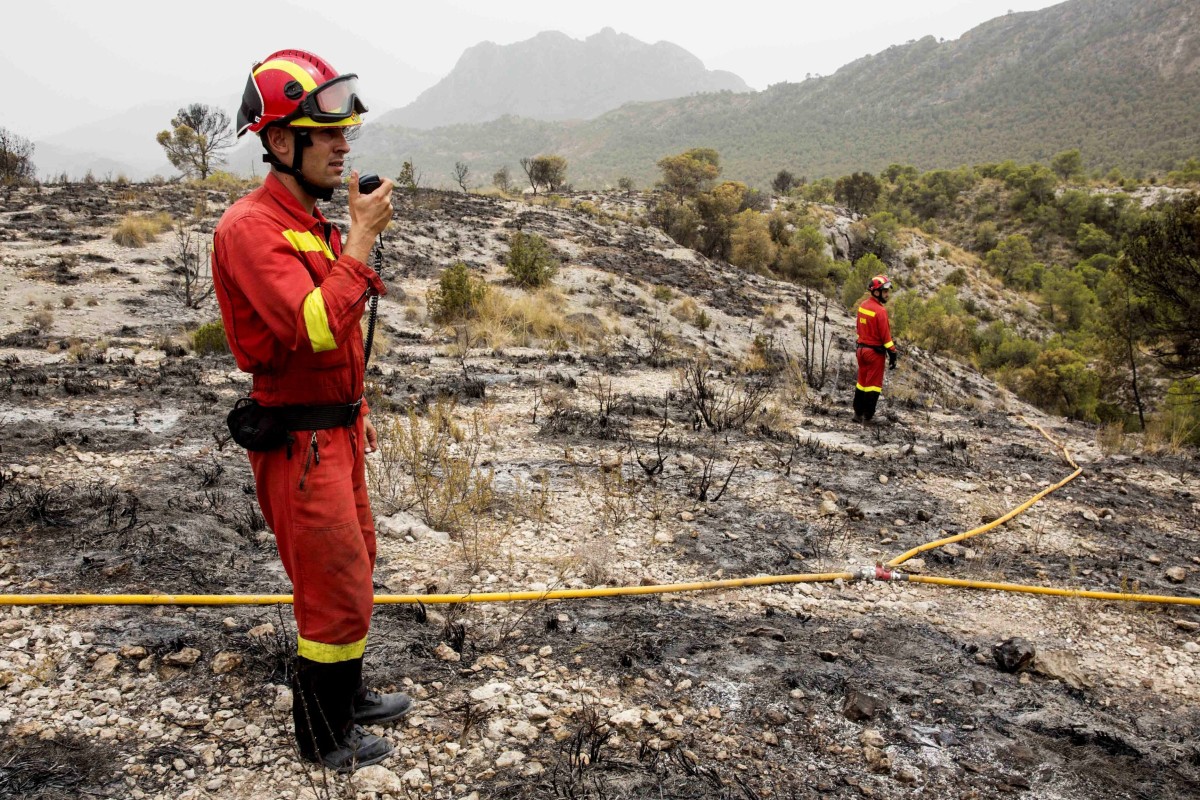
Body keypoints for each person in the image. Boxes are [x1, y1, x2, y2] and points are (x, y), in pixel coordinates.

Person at [211, 48, 410, 773]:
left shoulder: (311, 225)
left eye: (345, 133)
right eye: (326, 134)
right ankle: (325, 738)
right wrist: (361, 241)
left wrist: (355, 412)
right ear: (281, 141)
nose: (344, 145)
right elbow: (312, 327)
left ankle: (346, 696)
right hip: (300, 447)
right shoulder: (250, 229)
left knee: (354, 570)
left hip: (336, 432)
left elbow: (337, 339)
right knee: (331, 587)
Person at [852, 274, 899, 424]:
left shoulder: (862, 306)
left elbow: (858, 329)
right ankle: (868, 417)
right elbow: (886, 337)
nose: (887, 294)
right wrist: (893, 353)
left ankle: (857, 414)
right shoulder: (880, 311)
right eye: (885, 291)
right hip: (874, 353)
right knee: (873, 385)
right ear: (876, 292)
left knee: (861, 382)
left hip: (861, 350)